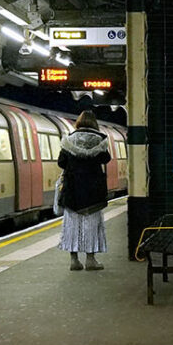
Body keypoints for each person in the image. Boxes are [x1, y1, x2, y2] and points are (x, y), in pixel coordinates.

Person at [56, 108, 112, 271]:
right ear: (94, 123)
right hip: (93, 191)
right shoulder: (100, 141)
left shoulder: (69, 140)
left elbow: (61, 162)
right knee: (92, 225)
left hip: (72, 190)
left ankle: (74, 260)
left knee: (72, 225)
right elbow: (106, 159)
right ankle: (90, 260)